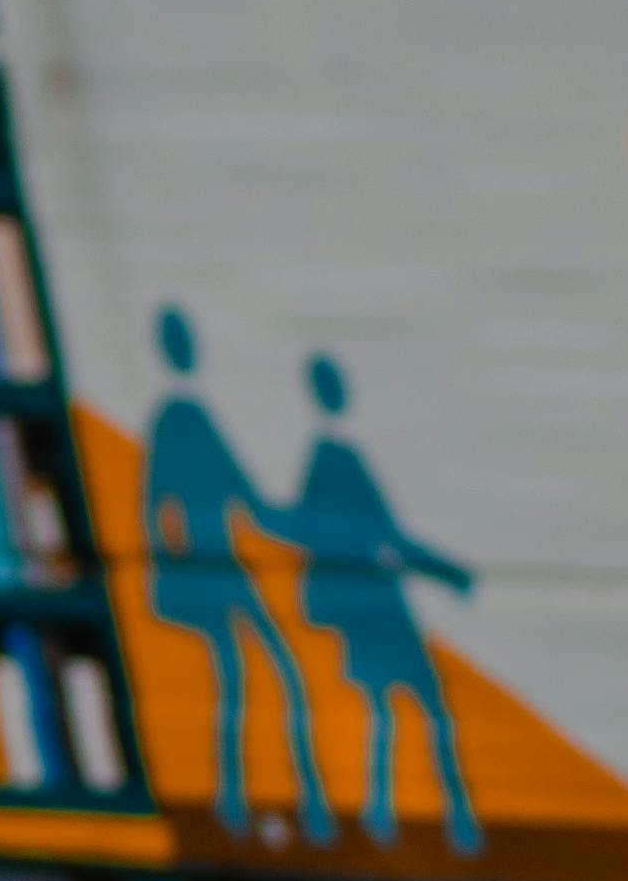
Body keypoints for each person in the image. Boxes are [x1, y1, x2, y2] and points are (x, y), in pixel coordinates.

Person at [139, 308, 335, 845]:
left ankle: (287, 797)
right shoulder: (176, 420)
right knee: (250, 680)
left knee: (271, 678)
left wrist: (311, 531)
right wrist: (170, 568)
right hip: (205, 572)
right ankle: (245, 798)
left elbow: (248, 502)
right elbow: (156, 504)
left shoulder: (196, 416)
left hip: (227, 567)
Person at [290, 353, 479, 853]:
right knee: (427, 707)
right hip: (376, 607)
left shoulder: (329, 458)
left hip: (369, 606)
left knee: (389, 712)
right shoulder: (336, 460)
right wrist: (448, 572)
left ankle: (386, 811)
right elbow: (387, 534)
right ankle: (452, 814)